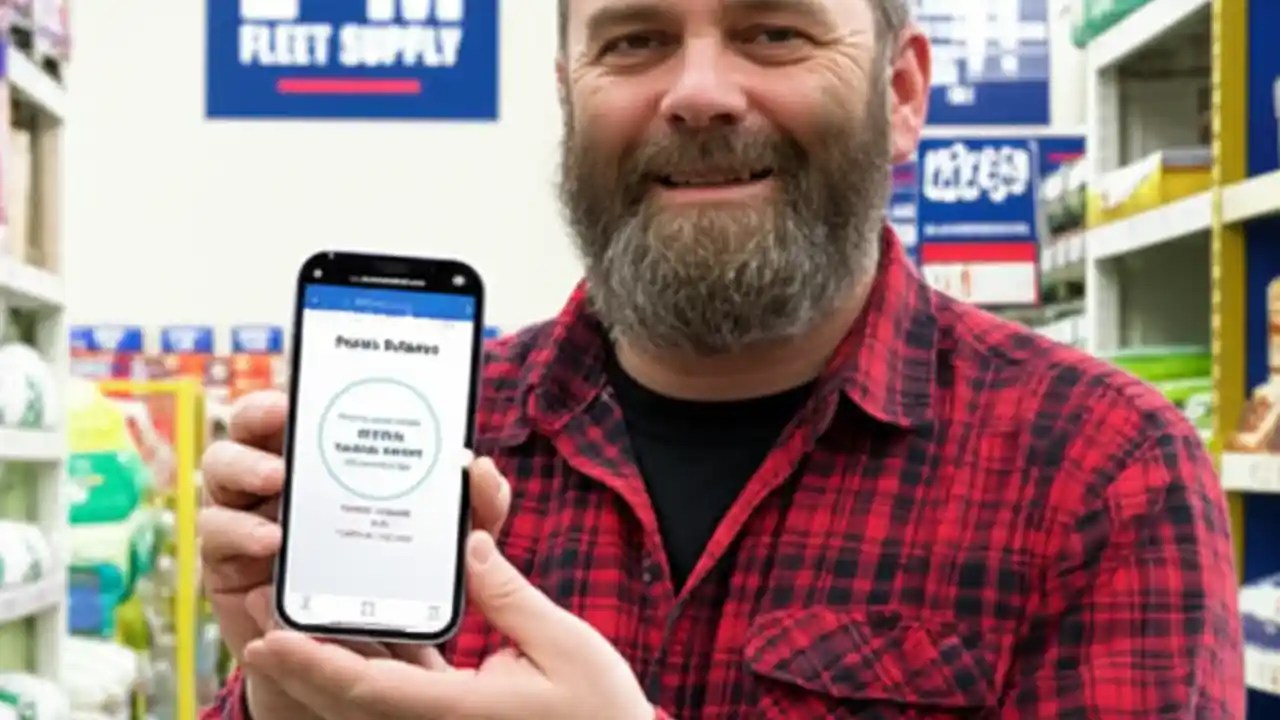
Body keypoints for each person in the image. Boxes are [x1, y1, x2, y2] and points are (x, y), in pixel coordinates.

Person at [198, 0, 1244, 717]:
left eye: (773, 32)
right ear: (570, 98)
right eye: (636, 40)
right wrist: (282, 699)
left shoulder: (1102, 469)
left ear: (901, 92)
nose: (698, 93)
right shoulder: (436, 443)